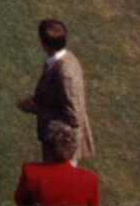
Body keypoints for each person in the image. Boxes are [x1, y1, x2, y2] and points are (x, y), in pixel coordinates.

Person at [16, 20, 95, 163]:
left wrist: (38, 110)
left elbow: (75, 117)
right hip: (58, 141)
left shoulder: (66, 74)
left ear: (44, 43)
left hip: (64, 147)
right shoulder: (61, 59)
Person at [13, 121, 100, 206]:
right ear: (74, 149)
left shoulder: (30, 172)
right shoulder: (90, 179)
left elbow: (20, 200)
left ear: (47, 148)